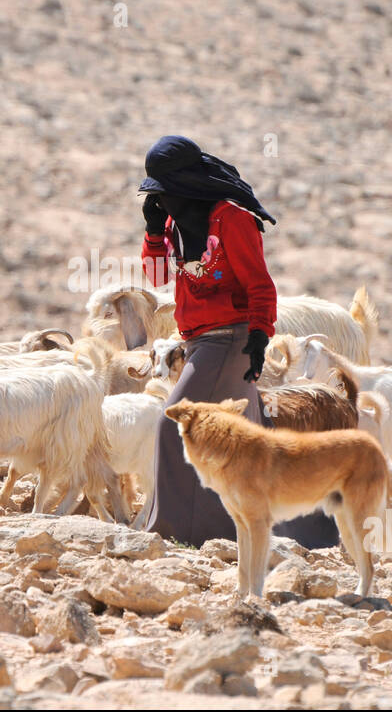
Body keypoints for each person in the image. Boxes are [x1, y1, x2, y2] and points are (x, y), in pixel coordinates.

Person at [136, 135, 339, 549]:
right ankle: (293, 533)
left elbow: (260, 284)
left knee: (172, 425)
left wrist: (261, 335)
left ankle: (173, 534)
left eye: (166, 194)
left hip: (231, 340)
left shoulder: (232, 220)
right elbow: (156, 279)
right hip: (198, 341)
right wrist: (154, 232)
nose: (164, 203)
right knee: (247, 441)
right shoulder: (175, 224)